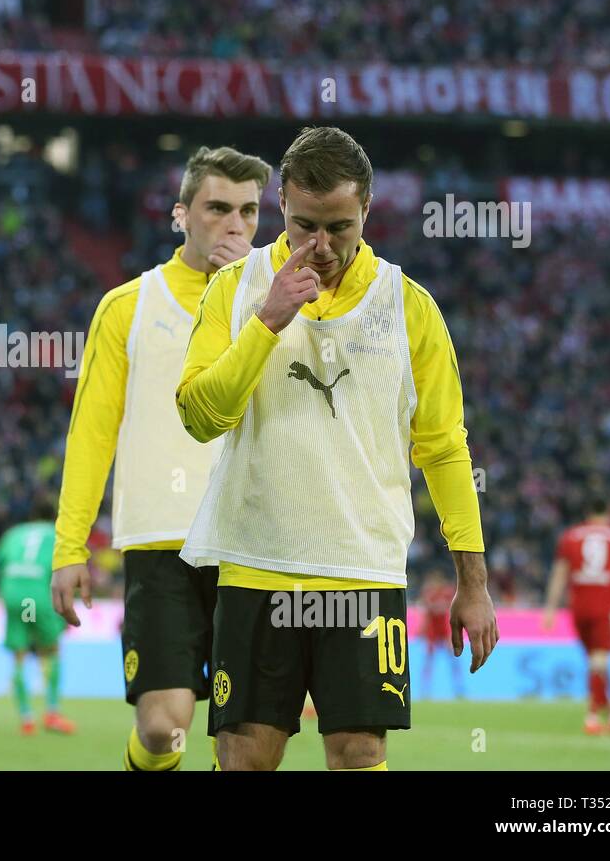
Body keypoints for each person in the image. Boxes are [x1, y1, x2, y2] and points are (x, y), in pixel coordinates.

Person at [177, 126, 498, 771]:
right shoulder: (235, 291)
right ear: (281, 210)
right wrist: (267, 321)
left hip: (362, 570)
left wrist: (474, 583)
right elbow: (200, 417)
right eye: (302, 227)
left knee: (358, 751)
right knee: (244, 756)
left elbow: (443, 450)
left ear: (367, 212)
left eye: (339, 228)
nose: (319, 247)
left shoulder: (410, 307)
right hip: (255, 563)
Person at [52, 146, 272, 770]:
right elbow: (92, 432)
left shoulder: (279, 308)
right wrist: (71, 548)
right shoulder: (129, 306)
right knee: (162, 728)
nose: (235, 225)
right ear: (181, 215)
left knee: (247, 742)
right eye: (218, 209)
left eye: (249, 212)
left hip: (250, 543)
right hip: (161, 542)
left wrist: (250, 300)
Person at [542, 499, 610, 734]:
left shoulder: (570, 536)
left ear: (588, 512)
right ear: (609, 513)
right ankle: (592, 716)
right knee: (599, 662)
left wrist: (550, 609)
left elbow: (559, 574)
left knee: (596, 663)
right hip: (602, 607)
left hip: (577, 608)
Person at [0, 499, 74, 735]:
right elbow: (65, 568)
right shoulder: (56, 534)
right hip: (39, 591)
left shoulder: (14, 533)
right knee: (52, 650)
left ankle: (26, 718)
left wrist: (0, 590)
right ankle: (52, 714)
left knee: (19, 656)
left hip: (12, 590)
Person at [419, 570, 464, 699]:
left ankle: (459, 688)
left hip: (445, 631)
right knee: (429, 661)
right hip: (432, 632)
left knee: (453, 659)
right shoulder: (430, 594)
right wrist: (422, 631)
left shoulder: (447, 593)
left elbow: (452, 609)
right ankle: (425, 690)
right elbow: (427, 612)